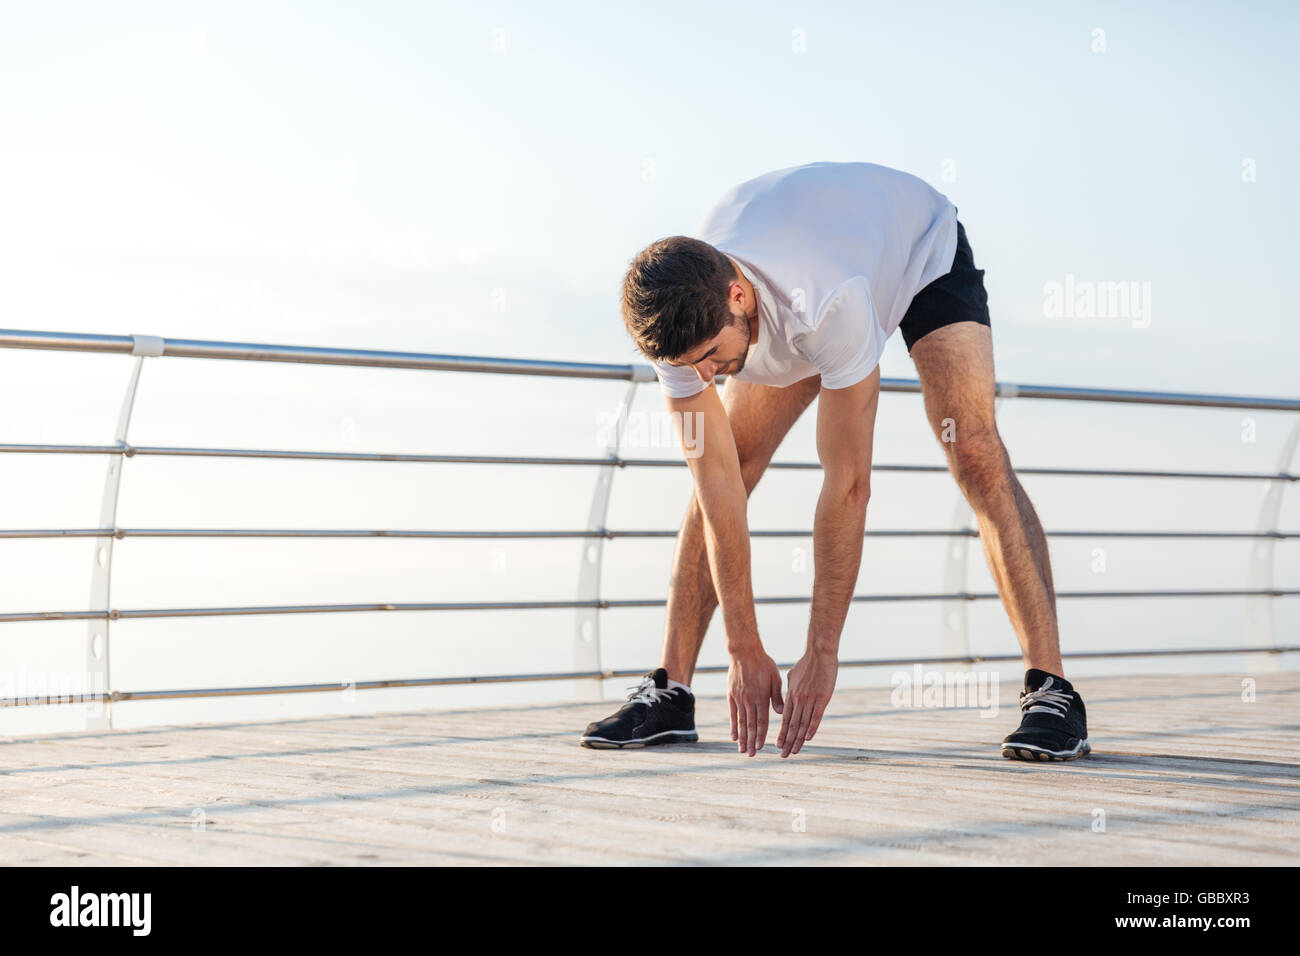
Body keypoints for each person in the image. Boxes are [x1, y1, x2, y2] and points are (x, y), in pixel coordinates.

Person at [581, 161, 1089, 762]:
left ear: (737, 297)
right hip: (803, 269)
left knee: (973, 450)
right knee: (732, 464)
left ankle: (1053, 692)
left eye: (713, 359)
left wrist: (822, 651)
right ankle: (670, 691)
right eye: (693, 368)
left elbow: (846, 485)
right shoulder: (678, 329)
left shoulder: (831, 305)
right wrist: (744, 647)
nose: (706, 378)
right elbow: (715, 484)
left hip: (918, 250)